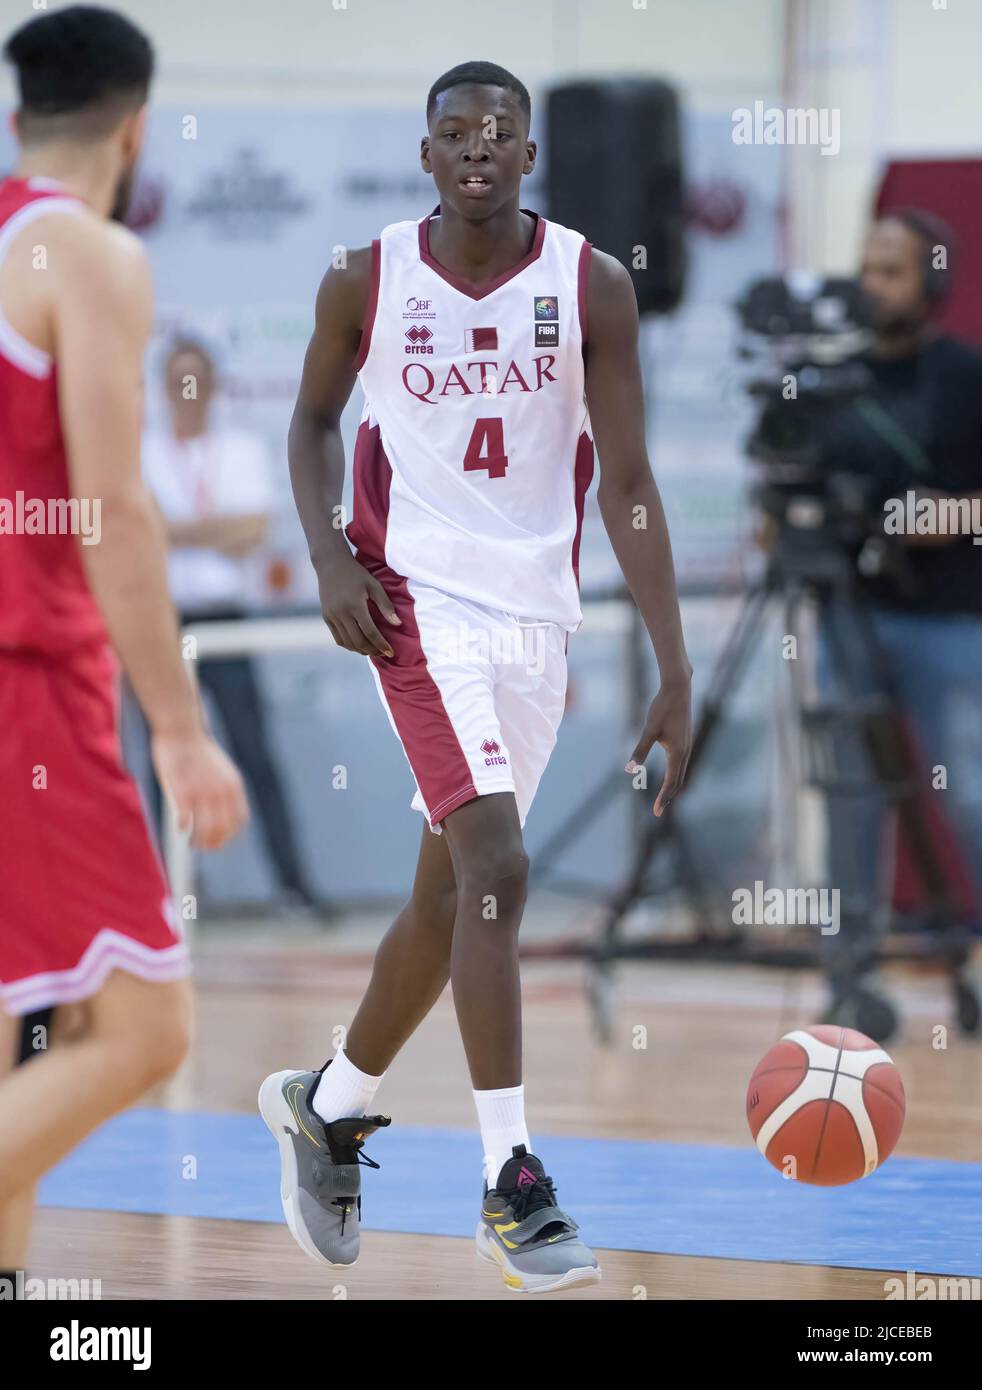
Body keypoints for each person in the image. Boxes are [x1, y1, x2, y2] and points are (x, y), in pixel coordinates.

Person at [260, 61, 692, 1293]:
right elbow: (308, 423)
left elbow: (629, 482)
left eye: (499, 132)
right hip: (415, 611)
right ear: (426, 153)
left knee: (449, 898)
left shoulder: (589, 281)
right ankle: (512, 1178)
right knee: (500, 868)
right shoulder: (369, 274)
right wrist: (331, 552)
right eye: (454, 133)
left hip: (534, 622)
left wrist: (673, 661)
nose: (477, 150)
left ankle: (330, 1106)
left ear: (529, 153)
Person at [0, 6, 248, 1297]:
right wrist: (179, 722)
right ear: (136, 124)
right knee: (146, 1025)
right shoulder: (86, 254)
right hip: (27, 687)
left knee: (16, 1044)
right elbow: (113, 509)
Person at [817, 209, 982, 1018]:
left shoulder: (966, 377)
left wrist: (945, 517)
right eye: (867, 266)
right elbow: (794, 495)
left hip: (953, 620)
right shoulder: (828, 381)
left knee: (972, 795)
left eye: (892, 270)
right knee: (851, 800)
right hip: (849, 619)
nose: (872, 284)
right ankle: (852, 985)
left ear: (932, 281)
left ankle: (974, 965)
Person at [140, 336, 320, 912]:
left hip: (226, 621)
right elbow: (138, 538)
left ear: (214, 386)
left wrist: (176, 530)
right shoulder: (141, 453)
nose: (187, 393)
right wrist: (211, 529)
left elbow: (252, 532)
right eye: (176, 380)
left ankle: (294, 885)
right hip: (163, 626)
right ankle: (175, 892)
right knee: (164, 756)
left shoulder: (239, 449)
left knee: (254, 751)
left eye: (197, 379)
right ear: (164, 388)